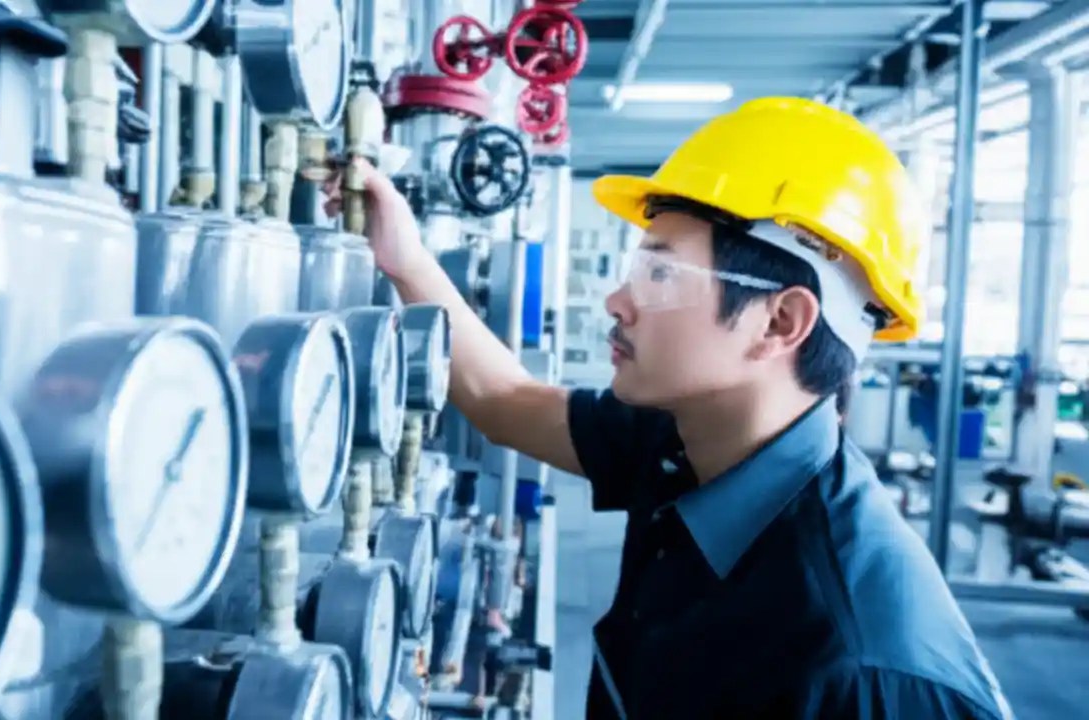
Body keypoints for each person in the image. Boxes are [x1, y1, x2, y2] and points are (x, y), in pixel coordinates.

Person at [325, 97, 1011, 719]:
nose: (618, 301)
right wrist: (405, 259)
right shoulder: (691, 440)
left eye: (660, 273)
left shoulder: (868, 669)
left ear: (780, 323)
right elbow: (506, 401)